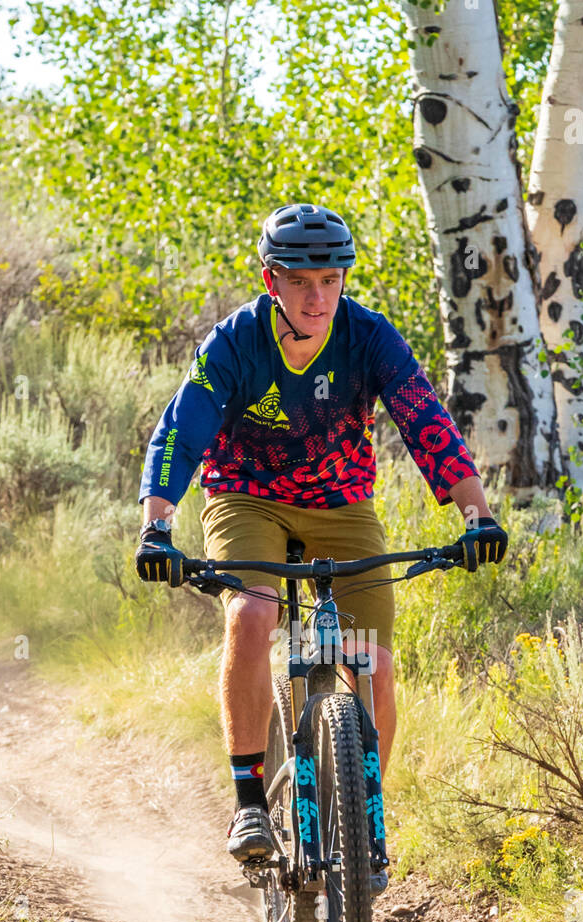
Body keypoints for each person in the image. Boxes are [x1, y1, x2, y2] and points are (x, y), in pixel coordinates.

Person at [135, 202, 507, 885]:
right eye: (300, 281)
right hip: (245, 495)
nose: (316, 296)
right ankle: (250, 804)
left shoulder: (368, 337)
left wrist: (475, 516)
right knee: (252, 613)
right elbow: (180, 433)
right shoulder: (234, 342)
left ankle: (363, 819)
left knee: (373, 666)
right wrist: (156, 525)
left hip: (341, 505)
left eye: (330, 280)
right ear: (270, 279)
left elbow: (424, 421)